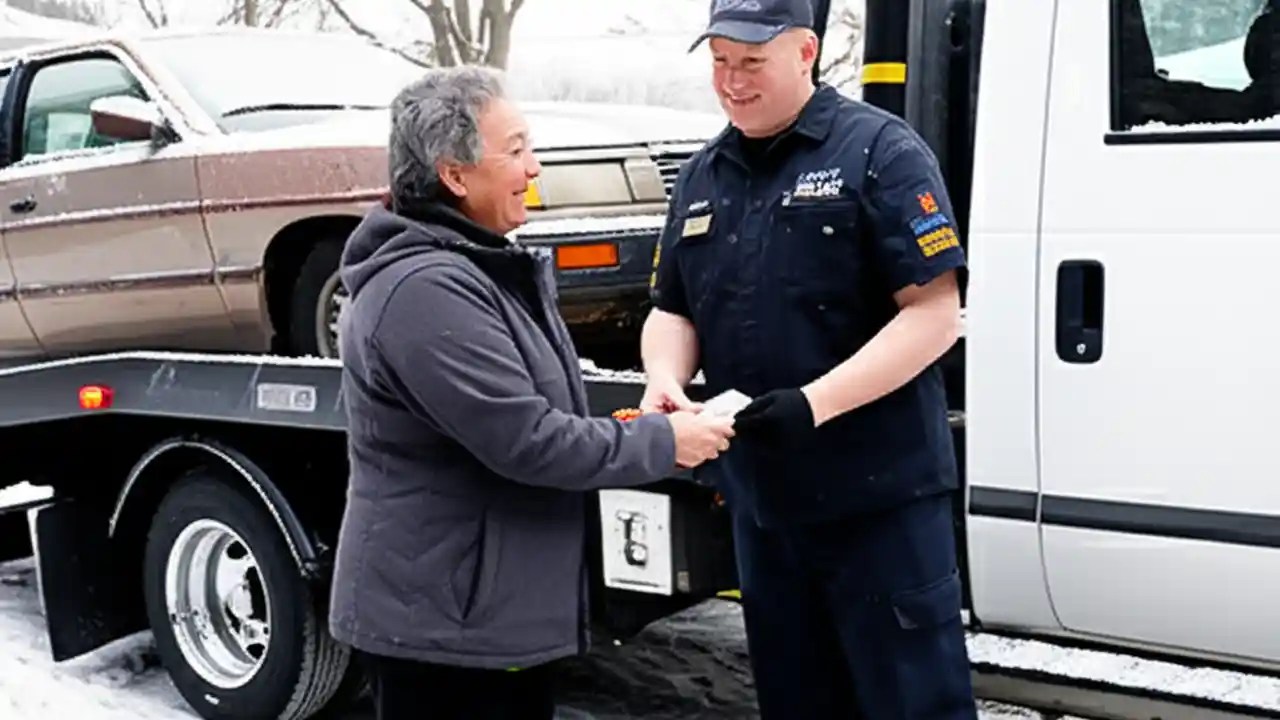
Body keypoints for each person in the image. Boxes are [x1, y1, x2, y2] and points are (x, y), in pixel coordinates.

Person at [328, 65, 737, 720]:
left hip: (484, 613)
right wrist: (664, 444)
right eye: (515, 150)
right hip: (446, 630)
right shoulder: (425, 291)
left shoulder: (476, 267)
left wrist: (638, 419)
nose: (534, 167)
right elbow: (527, 441)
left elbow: (537, 409)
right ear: (453, 175)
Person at [640, 0, 979, 717]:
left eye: (752, 62)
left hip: (879, 505)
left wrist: (814, 403)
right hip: (767, 511)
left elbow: (934, 313)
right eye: (720, 61)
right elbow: (673, 308)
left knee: (912, 703)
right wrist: (665, 379)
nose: (732, 81)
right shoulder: (704, 173)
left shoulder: (880, 153)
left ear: (805, 53)